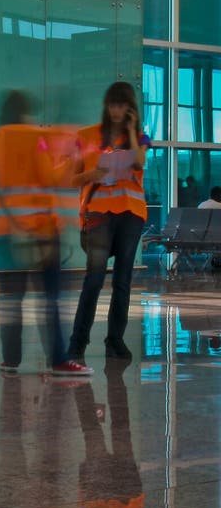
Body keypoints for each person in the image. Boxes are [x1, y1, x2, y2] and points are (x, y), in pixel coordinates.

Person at [0, 90, 91, 376]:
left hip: (1, 230)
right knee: (50, 296)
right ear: (26, 112)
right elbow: (50, 177)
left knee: (11, 297)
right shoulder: (34, 136)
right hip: (40, 228)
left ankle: (10, 359)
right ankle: (59, 360)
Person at [67, 82, 150, 363]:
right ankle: (77, 343)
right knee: (94, 278)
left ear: (130, 109)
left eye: (122, 105)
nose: (116, 110)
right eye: (113, 104)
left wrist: (130, 132)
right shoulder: (86, 137)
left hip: (131, 213)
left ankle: (115, 339)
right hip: (99, 213)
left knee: (123, 279)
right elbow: (71, 178)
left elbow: (139, 162)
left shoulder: (140, 137)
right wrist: (95, 172)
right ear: (106, 105)